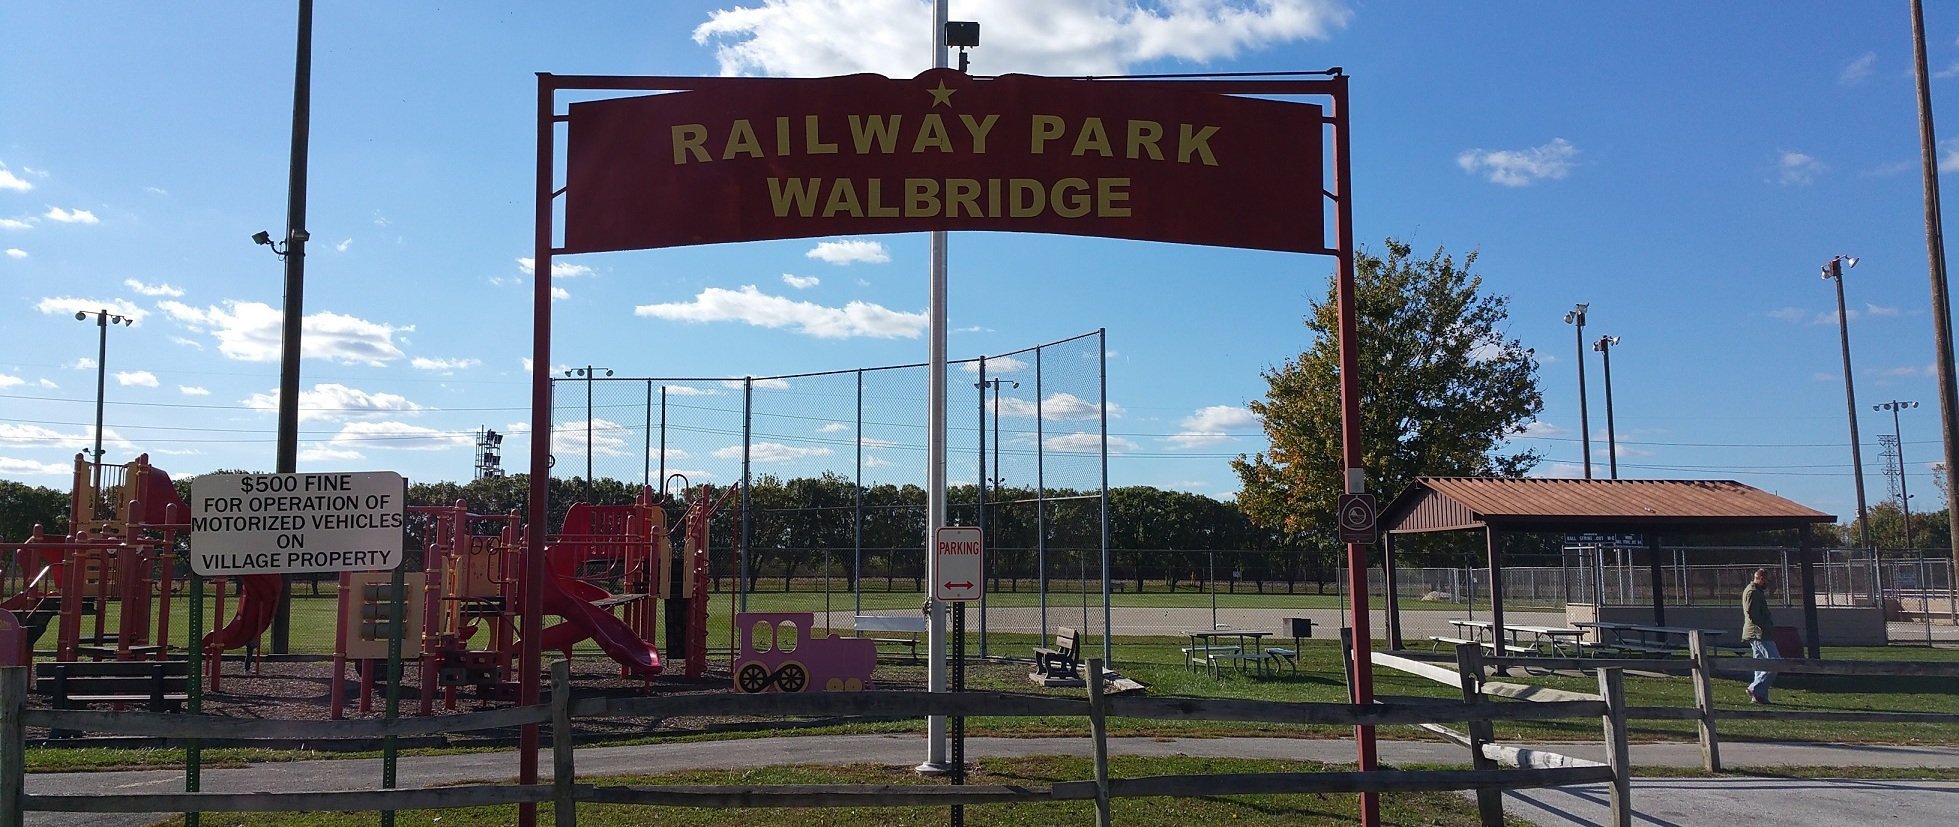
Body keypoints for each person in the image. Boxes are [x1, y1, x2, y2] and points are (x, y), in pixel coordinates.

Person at [1741, 567, 1778, 704]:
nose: (1767, 583)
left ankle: (1758, 697)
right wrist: (1766, 624)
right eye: (1766, 580)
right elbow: (1752, 614)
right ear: (1761, 578)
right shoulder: (1752, 592)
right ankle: (1754, 688)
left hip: (1759, 632)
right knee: (1776, 662)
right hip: (1759, 633)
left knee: (1761, 665)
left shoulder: (1756, 591)